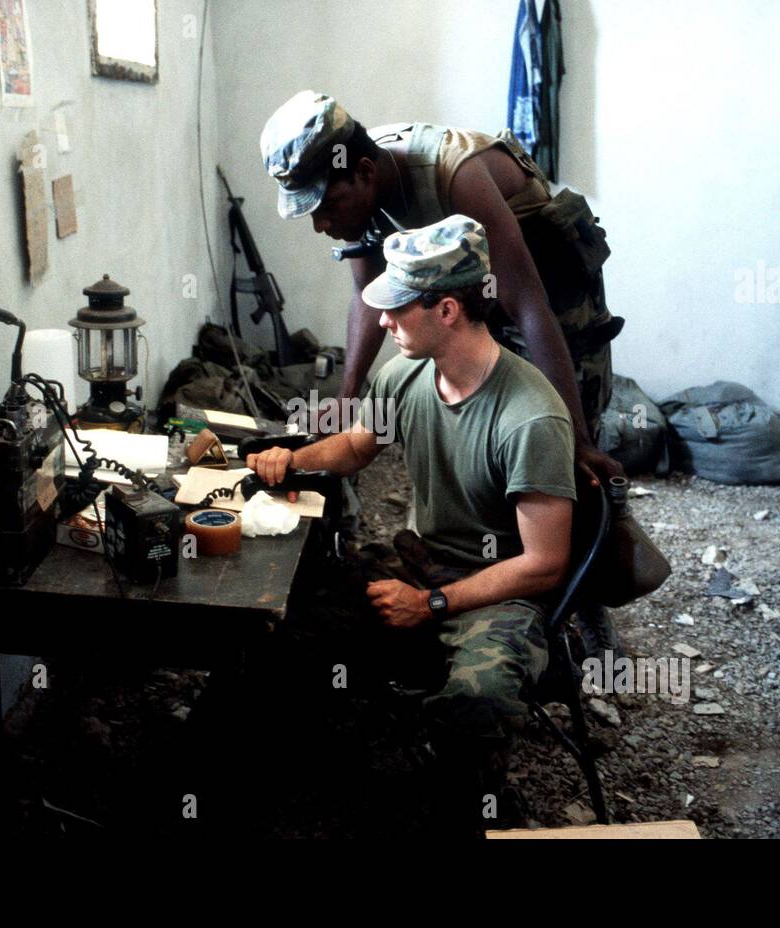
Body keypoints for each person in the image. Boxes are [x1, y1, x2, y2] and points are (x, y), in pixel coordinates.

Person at [260, 89, 625, 659]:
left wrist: (575, 434)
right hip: (447, 289)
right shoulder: (359, 192)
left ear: (362, 172)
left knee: (563, 459)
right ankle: (477, 570)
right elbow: (368, 300)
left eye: (325, 207)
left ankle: (578, 599)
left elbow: (528, 305)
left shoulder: (456, 175)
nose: (322, 224)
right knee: (467, 426)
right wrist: (348, 401)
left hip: (545, 287)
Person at [247, 215, 576, 833]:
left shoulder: (529, 417)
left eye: (397, 309)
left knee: (475, 704)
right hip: (424, 562)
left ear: (447, 309)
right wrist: (291, 459)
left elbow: (544, 564)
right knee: (281, 624)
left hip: (500, 589)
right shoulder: (406, 374)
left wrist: (431, 603)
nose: (382, 322)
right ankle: (315, 786)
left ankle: (465, 812)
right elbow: (354, 448)